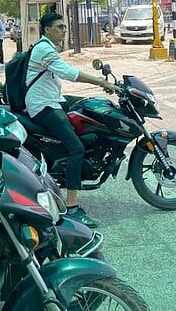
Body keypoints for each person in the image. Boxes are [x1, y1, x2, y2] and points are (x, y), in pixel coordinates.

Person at [26, 12, 118, 228]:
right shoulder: (44, 49)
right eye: (60, 27)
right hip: (43, 105)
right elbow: (69, 73)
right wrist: (101, 82)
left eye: (65, 27)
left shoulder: (47, 47)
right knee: (76, 148)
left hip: (53, 99)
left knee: (90, 105)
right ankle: (73, 207)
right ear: (47, 29)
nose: (64, 31)